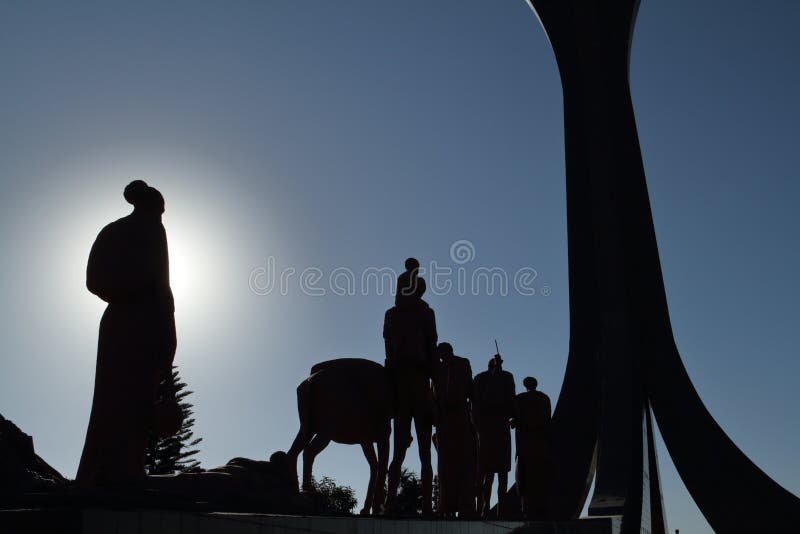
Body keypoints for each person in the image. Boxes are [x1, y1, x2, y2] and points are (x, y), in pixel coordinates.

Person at [76, 180, 177, 487]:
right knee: (128, 399)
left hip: (119, 322)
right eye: (160, 212)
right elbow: (162, 286)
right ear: (151, 207)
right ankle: (120, 473)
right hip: (139, 323)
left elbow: (94, 281)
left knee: (115, 398)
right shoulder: (150, 232)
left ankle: (110, 470)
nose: (161, 218)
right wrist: (169, 334)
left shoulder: (111, 230)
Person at [383, 264, 437, 515]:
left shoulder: (395, 314)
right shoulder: (421, 313)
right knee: (415, 450)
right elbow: (432, 346)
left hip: (407, 382)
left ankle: (397, 503)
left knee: (407, 450)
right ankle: (403, 503)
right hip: (412, 382)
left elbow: (389, 351)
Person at [431, 342, 476, 518]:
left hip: (459, 416)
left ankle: (465, 506)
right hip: (444, 419)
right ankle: (445, 506)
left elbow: (470, 389)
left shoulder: (462, 363)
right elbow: (433, 393)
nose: (442, 357)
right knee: (445, 465)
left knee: (463, 462)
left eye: (443, 354)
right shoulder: (438, 369)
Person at [472, 354, 516, 518]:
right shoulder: (481, 378)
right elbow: (476, 403)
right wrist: (478, 428)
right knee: (487, 472)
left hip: (500, 427)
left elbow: (511, 399)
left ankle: (501, 508)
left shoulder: (507, 377)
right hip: (487, 428)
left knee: (502, 471)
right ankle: (485, 506)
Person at [513, 376, 552, 519]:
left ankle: (526, 508)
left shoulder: (520, 399)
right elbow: (548, 419)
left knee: (525, 479)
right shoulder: (544, 398)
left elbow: (515, 416)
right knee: (539, 477)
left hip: (525, 445)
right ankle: (541, 507)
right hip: (540, 444)